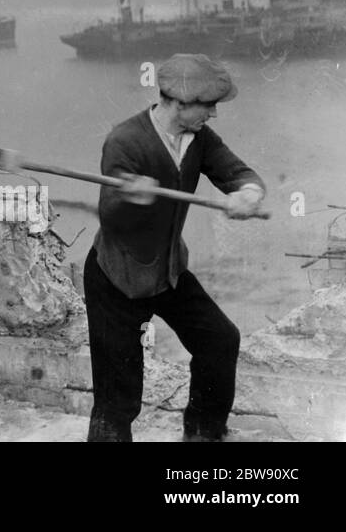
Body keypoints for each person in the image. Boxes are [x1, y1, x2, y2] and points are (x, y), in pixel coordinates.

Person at [85, 53, 266, 442]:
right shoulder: (125, 140)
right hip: (117, 276)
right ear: (180, 102)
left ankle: (203, 433)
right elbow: (111, 216)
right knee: (118, 396)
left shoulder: (198, 138)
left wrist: (247, 194)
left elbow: (237, 173)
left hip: (167, 270)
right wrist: (133, 197)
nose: (214, 113)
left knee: (219, 340)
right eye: (208, 104)